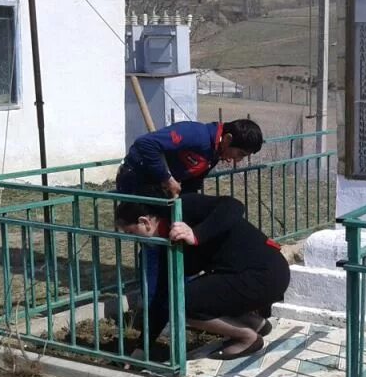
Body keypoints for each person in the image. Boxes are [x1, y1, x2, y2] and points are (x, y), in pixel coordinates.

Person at [115, 194, 290, 360]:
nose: (133, 240)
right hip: (245, 275)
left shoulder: (181, 208)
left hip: (265, 274)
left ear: (144, 222)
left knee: (183, 302)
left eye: (131, 233)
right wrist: (142, 347)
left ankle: (247, 337)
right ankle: (255, 323)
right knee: (182, 298)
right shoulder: (166, 244)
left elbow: (233, 206)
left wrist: (197, 234)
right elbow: (162, 296)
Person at [116, 119, 264, 198]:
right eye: (240, 154)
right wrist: (167, 178)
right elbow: (145, 143)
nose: (237, 160)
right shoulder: (195, 135)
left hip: (161, 190)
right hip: (136, 180)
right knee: (154, 242)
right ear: (227, 138)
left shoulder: (215, 153)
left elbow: (193, 183)